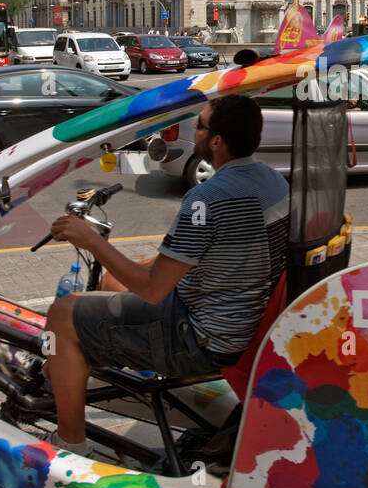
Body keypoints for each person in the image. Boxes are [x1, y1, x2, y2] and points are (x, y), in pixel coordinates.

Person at [43, 95, 289, 456]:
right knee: (115, 280)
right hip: (242, 314)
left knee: (62, 314)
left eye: (200, 125)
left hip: (204, 338)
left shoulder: (208, 198)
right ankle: (102, 364)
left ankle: (70, 443)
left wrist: (91, 240)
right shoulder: (271, 180)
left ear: (217, 141)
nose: (196, 130)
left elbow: (154, 291)